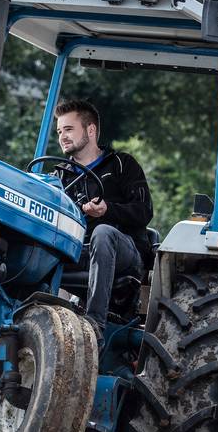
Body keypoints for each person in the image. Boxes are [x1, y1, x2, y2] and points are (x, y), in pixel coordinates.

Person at [52, 100, 153, 333]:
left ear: (91, 130)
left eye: (69, 129)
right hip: (81, 252)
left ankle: (94, 326)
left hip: (125, 253)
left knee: (103, 232)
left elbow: (144, 211)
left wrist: (108, 210)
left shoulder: (122, 164)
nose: (62, 137)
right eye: (59, 131)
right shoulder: (59, 174)